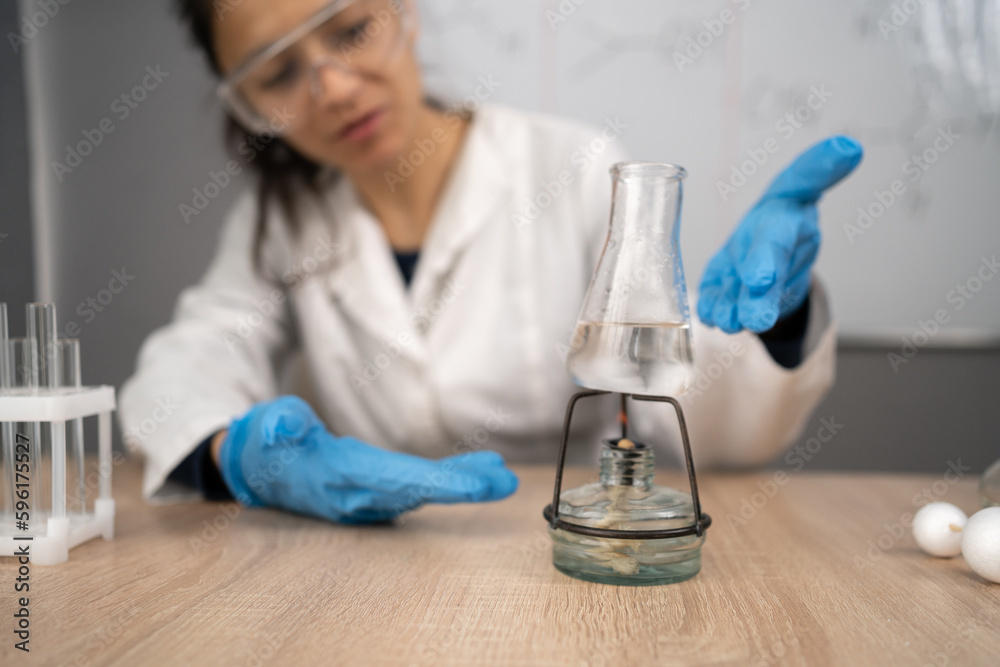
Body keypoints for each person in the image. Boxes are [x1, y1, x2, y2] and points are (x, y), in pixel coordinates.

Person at [120, 0, 863, 523]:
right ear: (246, 105)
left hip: (550, 543)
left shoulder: (571, 168)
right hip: (372, 560)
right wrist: (238, 455)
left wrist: (780, 316)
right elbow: (185, 368)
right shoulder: (280, 221)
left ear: (401, 10)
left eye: (350, 30)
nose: (334, 88)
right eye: (278, 74)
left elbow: (706, 424)